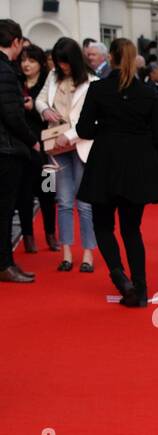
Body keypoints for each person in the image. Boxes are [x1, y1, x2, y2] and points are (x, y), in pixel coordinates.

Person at [76, 37, 158, 307]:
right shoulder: (149, 93)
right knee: (132, 229)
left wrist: (105, 129)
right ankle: (140, 289)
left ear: (113, 58)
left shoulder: (98, 89)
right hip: (137, 165)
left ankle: (120, 278)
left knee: (103, 225)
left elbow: (83, 130)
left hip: (105, 162)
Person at [36, 37, 98, 273]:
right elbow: (41, 99)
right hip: (56, 146)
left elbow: (93, 118)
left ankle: (88, 254)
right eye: (58, 62)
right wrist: (46, 110)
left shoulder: (92, 81)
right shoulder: (52, 76)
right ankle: (66, 253)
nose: (62, 67)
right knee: (62, 201)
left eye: (65, 62)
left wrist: (70, 135)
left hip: (81, 145)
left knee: (84, 204)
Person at [0, 19, 40, 284]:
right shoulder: (5, 71)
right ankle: (5, 264)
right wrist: (32, 140)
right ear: (15, 42)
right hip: (6, 150)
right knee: (5, 211)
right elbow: (12, 115)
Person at [17, 43, 57, 253]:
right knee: (24, 194)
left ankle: (51, 234)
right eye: (23, 60)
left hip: (46, 148)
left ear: (40, 63)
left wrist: (34, 108)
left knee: (48, 193)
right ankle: (28, 236)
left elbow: (53, 114)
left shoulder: (48, 85)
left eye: (31, 61)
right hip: (23, 148)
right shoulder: (16, 82)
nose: (26, 65)